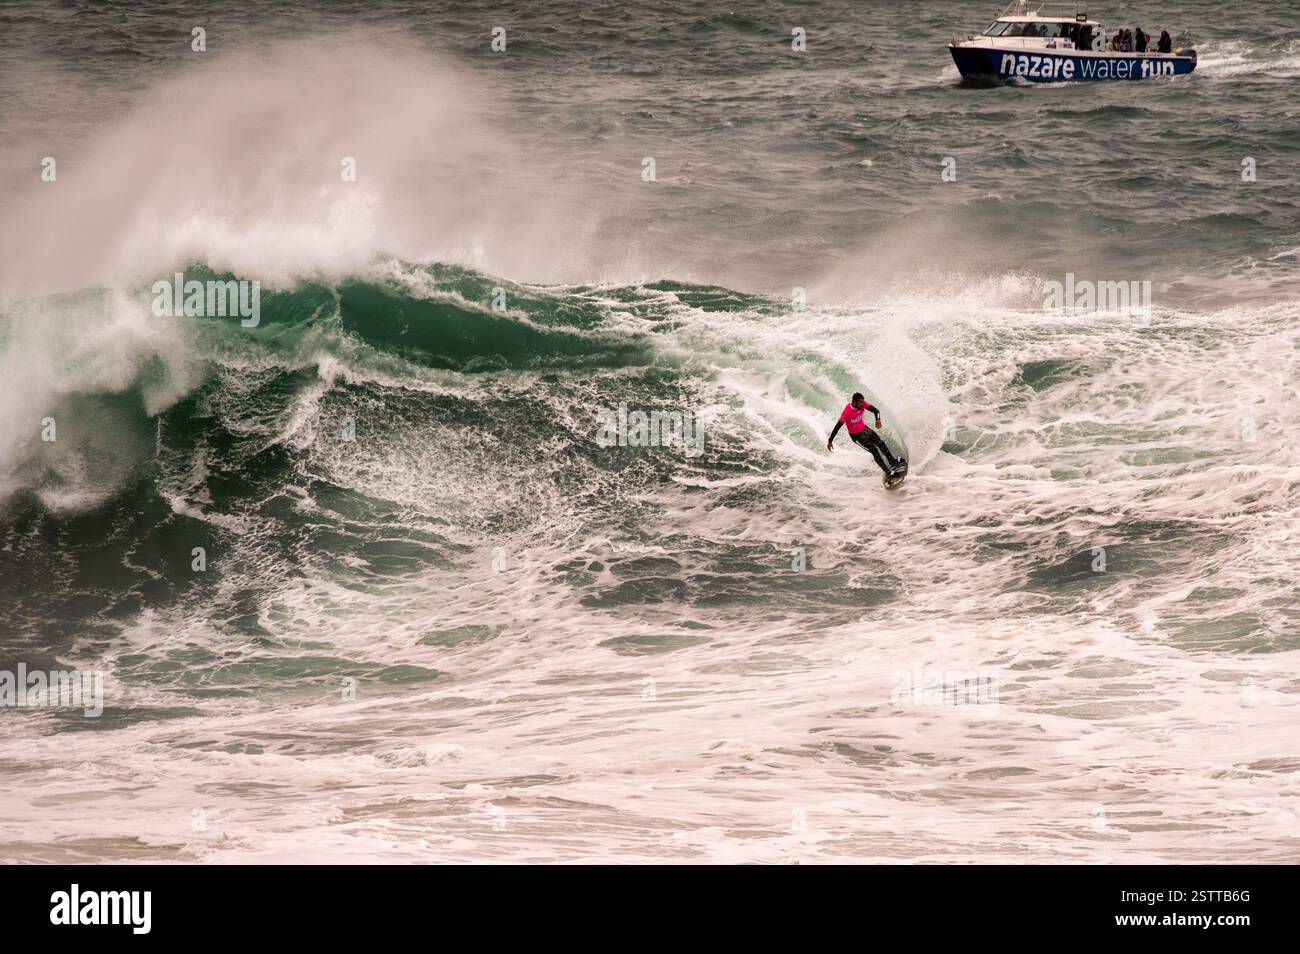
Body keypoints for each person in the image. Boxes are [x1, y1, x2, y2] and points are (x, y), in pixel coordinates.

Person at [827, 393, 901, 476]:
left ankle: (892, 462)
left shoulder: (862, 404)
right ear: (854, 402)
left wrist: (878, 419)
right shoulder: (847, 412)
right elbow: (837, 427)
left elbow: (876, 411)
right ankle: (887, 472)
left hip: (864, 429)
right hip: (856, 436)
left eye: (863, 402)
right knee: (874, 450)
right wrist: (830, 441)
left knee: (880, 443)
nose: (862, 404)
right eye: (860, 402)